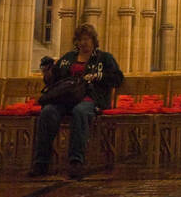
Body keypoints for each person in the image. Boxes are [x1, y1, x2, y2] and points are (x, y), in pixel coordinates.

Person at [29, 23, 124, 179]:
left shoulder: (104, 58)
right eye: (80, 39)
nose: (83, 43)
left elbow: (117, 78)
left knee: (80, 112)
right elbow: (54, 82)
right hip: (65, 99)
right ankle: (41, 162)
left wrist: (97, 77)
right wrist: (48, 72)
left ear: (93, 40)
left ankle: (76, 161)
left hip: (89, 98)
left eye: (87, 39)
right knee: (48, 112)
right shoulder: (68, 58)